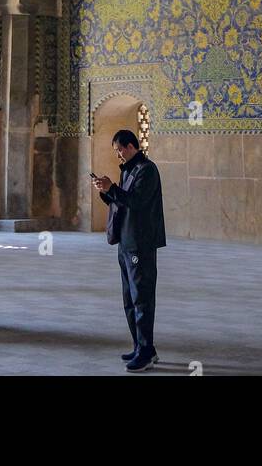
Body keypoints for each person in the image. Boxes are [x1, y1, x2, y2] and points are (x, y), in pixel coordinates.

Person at [93, 130, 166, 372]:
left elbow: (137, 202)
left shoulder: (147, 170)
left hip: (140, 243)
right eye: (116, 151)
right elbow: (122, 202)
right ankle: (141, 347)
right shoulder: (129, 170)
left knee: (141, 297)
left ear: (132, 146)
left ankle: (145, 350)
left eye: (120, 150)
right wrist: (106, 192)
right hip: (126, 242)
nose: (119, 155)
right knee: (129, 299)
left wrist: (112, 187)